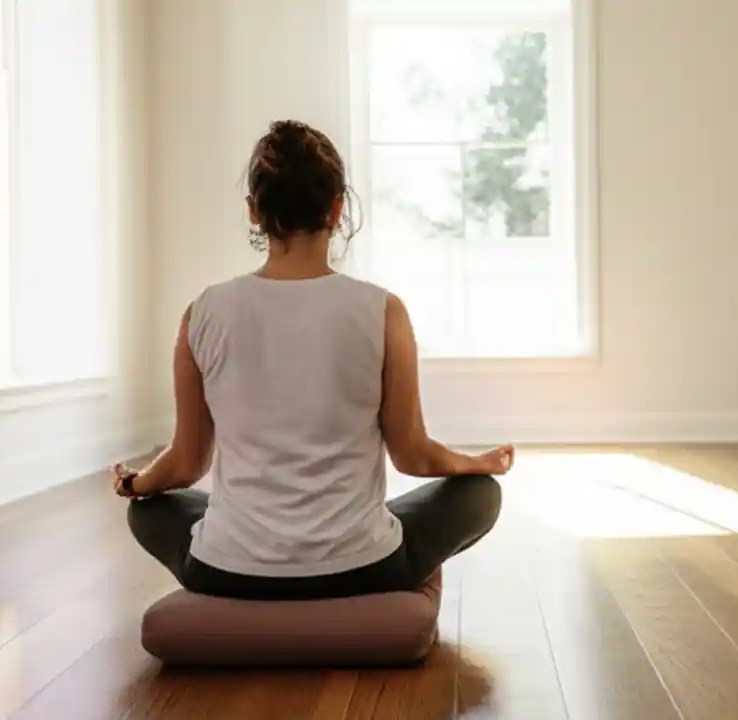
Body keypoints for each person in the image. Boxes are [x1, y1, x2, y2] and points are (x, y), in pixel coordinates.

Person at [111, 119, 511, 600]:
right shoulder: (383, 310)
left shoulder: (202, 313)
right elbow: (413, 455)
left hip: (227, 571)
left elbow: (185, 464)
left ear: (254, 211)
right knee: (481, 494)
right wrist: (474, 463)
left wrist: (136, 483)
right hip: (364, 568)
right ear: (338, 208)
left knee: (148, 509)